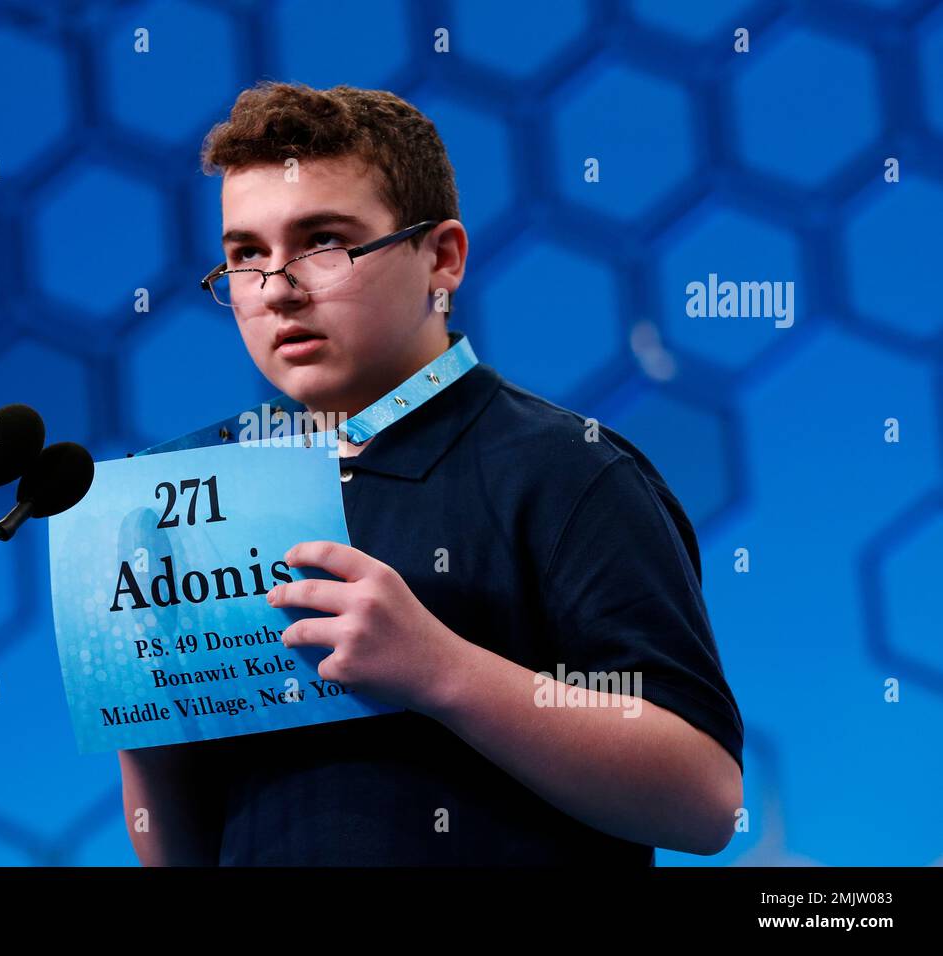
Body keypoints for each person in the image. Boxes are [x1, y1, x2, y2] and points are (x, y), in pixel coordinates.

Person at [118, 81, 744, 866]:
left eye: (323, 241)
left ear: (440, 258)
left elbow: (705, 799)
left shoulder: (569, 470)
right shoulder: (182, 494)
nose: (279, 289)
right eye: (247, 254)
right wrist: (145, 720)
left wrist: (439, 671)